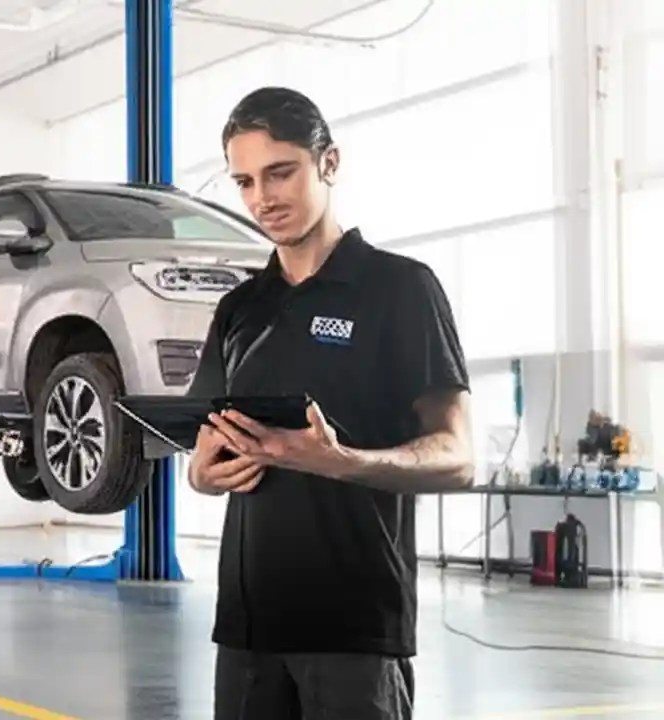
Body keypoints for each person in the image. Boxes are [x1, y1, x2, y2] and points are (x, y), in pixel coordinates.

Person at [186, 86, 477, 720]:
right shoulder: (240, 309)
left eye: (280, 172)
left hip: (355, 631)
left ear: (330, 163)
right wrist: (202, 476)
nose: (262, 197)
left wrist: (343, 461)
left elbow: (458, 457)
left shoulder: (401, 289)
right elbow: (205, 444)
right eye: (244, 182)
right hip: (247, 632)